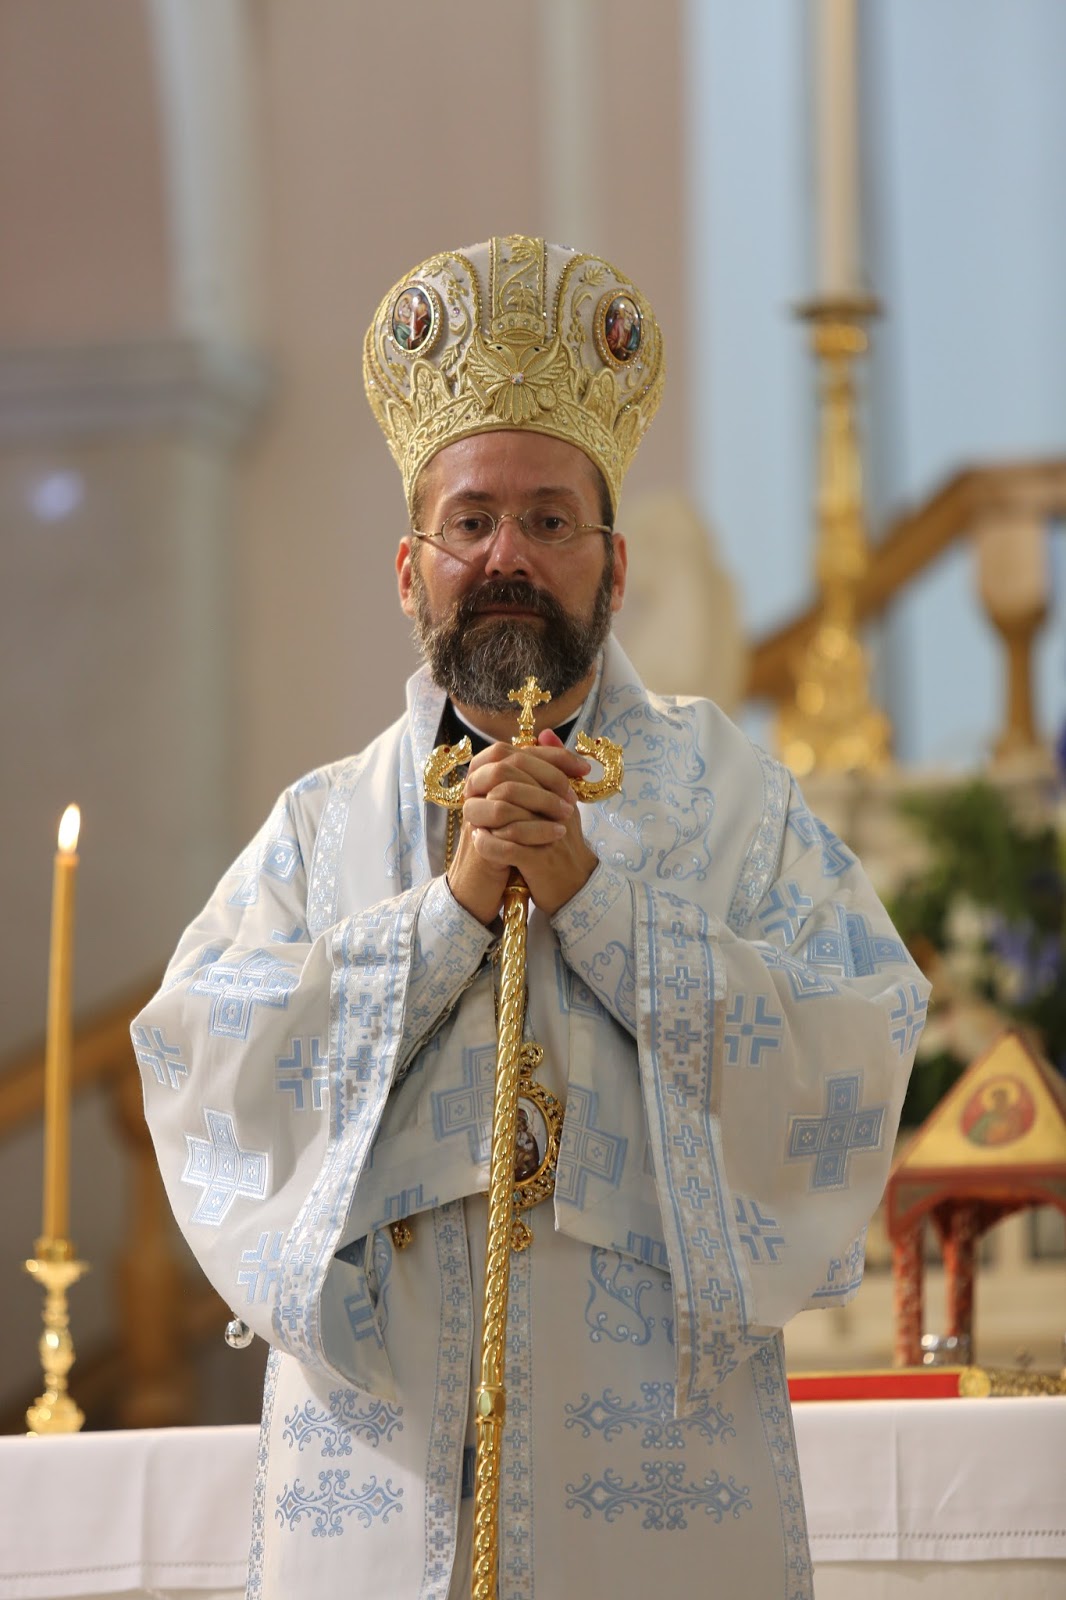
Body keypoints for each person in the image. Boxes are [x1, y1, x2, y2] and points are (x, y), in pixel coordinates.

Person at [133, 235, 929, 1600]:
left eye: (550, 520)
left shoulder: (733, 803)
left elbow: (854, 1043)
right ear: (409, 569)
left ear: (612, 569)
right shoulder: (319, 831)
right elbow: (203, 1074)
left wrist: (602, 911)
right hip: (383, 1476)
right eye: (472, 520)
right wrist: (445, 923)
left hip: (654, 1483)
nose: (509, 554)